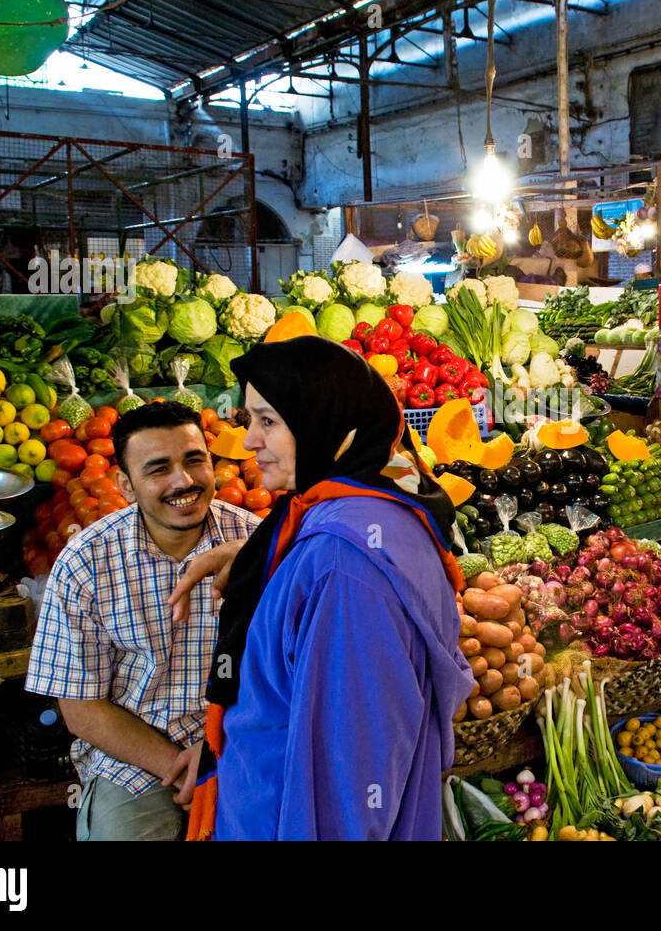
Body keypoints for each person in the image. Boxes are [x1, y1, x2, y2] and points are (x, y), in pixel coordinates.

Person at [166, 336, 474, 841]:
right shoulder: (372, 503)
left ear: (328, 420)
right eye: (249, 420)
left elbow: (353, 777)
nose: (248, 442)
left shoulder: (343, 564)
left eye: (269, 421)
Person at [25, 402, 261, 841]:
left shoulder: (255, 543)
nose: (183, 481)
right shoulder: (86, 562)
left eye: (195, 461)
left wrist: (220, 753)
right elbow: (81, 709)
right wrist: (182, 768)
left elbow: (291, 675)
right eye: (158, 469)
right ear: (125, 485)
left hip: (245, 746)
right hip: (137, 760)